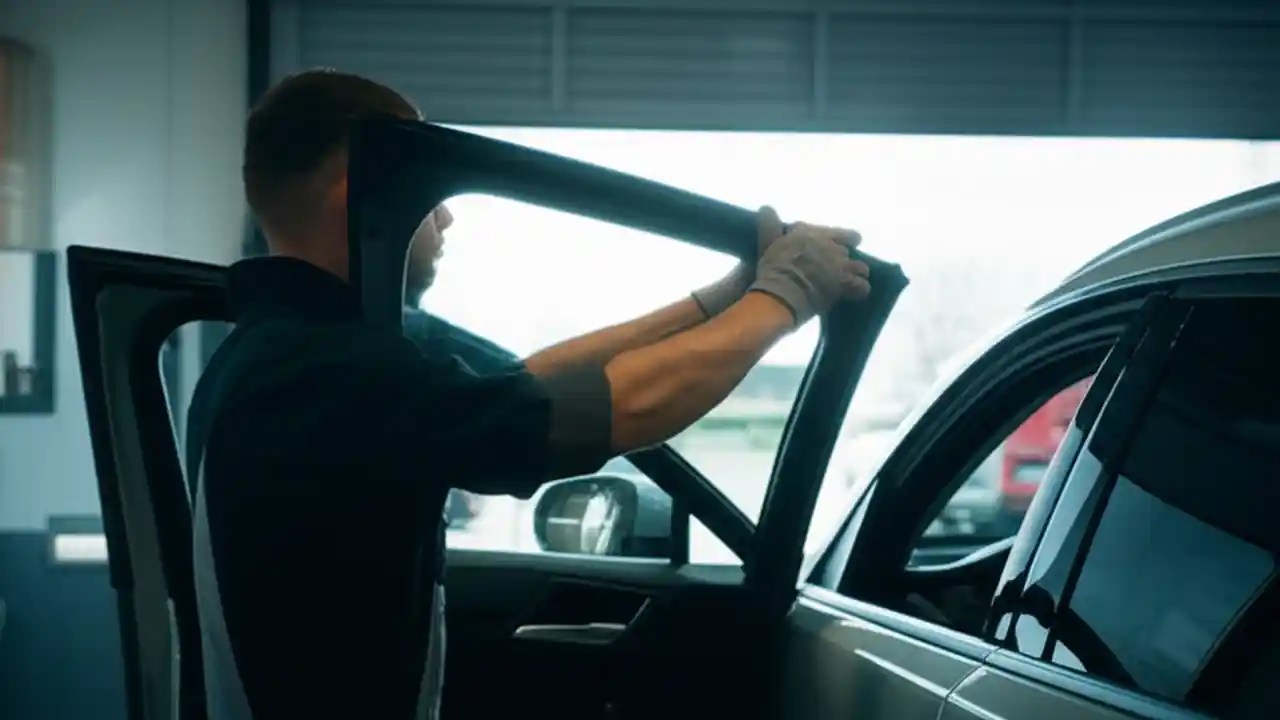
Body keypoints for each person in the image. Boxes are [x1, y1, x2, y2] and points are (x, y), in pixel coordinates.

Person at [188, 69, 872, 720]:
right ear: (358, 196)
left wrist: (726, 298)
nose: (445, 218)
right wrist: (785, 296)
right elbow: (623, 407)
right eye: (427, 193)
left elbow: (521, 385)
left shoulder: (278, 357)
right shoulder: (326, 374)